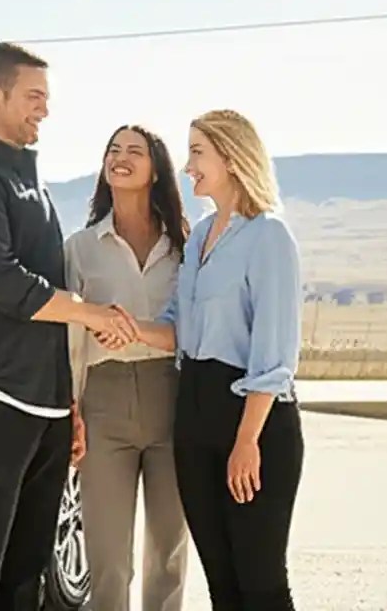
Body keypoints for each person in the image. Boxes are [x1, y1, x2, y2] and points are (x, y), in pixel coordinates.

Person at [0, 41, 137, 610]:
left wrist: (66, 402)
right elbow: (3, 282)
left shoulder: (30, 182)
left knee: (26, 576)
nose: (44, 109)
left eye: (47, 98)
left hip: (42, 406)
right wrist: (92, 314)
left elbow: (41, 290)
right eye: (33, 96)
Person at [123, 109, 304, 611]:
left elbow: (274, 354)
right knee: (223, 585)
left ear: (231, 155)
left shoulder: (269, 236)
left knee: (261, 583)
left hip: (253, 423)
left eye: (198, 152)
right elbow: (180, 327)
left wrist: (246, 441)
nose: (188, 166)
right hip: (194, 419)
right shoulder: (201, 235)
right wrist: (130, 328)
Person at [65, 124, 190, 611]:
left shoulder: (186, 246)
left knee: (169, 553)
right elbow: (68, 338)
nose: (120, 157)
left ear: (155, 169)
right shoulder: (80, 248)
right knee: (109, 557)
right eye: (113, 150)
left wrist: (135, 329)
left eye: (134, 151)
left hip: (172, 399)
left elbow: (197, 329)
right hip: (104, 401)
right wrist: (70, 406)